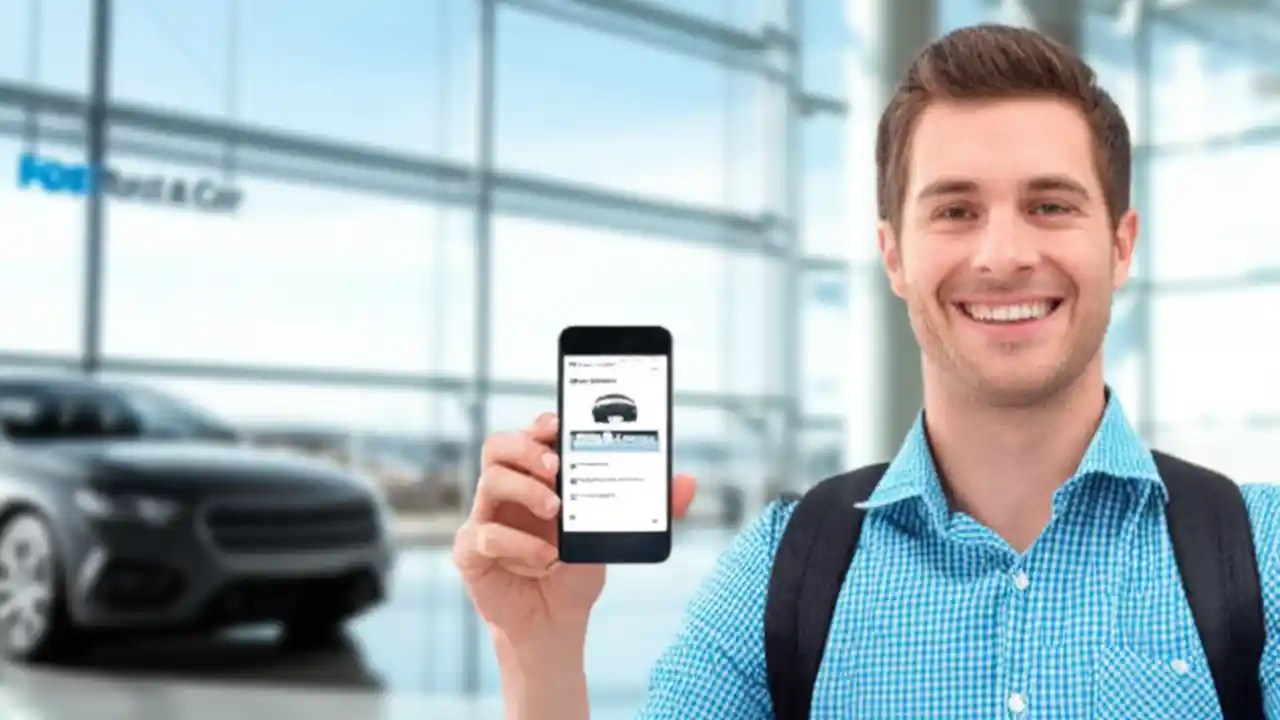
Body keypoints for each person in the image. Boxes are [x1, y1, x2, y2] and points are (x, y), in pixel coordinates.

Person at [452, 23, 1280, 718]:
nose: (1002, 255)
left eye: (1050, 206)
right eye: (955, 210)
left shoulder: (1263, 556)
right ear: (892, 255)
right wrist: (540, 653)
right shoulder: (785, 568)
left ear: (1121, 244)